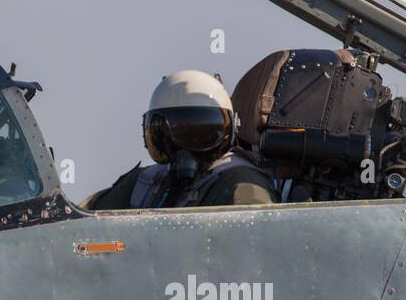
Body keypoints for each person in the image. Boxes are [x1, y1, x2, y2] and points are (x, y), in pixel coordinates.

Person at [84, 71, 275, 210]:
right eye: (173, 133)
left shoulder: (242, 185)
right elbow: (79, 223)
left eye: (200, 132)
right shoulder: (145, 183)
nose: (184, 148)